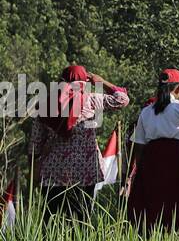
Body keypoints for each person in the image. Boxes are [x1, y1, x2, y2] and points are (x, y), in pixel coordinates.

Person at [29, 64, 130, 218]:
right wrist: (101, 81)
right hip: (85, 171)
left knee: (51, 219)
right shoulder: (91, 100)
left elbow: (35, 143)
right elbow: (122, 99)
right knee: (81, 217)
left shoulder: (45, 104)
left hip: (53, 172)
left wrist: (33, 168)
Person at [127, 69, 179, 230]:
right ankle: (171, 230)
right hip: (174, 155)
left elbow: (139, 143)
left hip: (151, 155)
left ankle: (149, 230)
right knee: (172, 195)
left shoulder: (147, 111)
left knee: (153, 195)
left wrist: (140, 169)